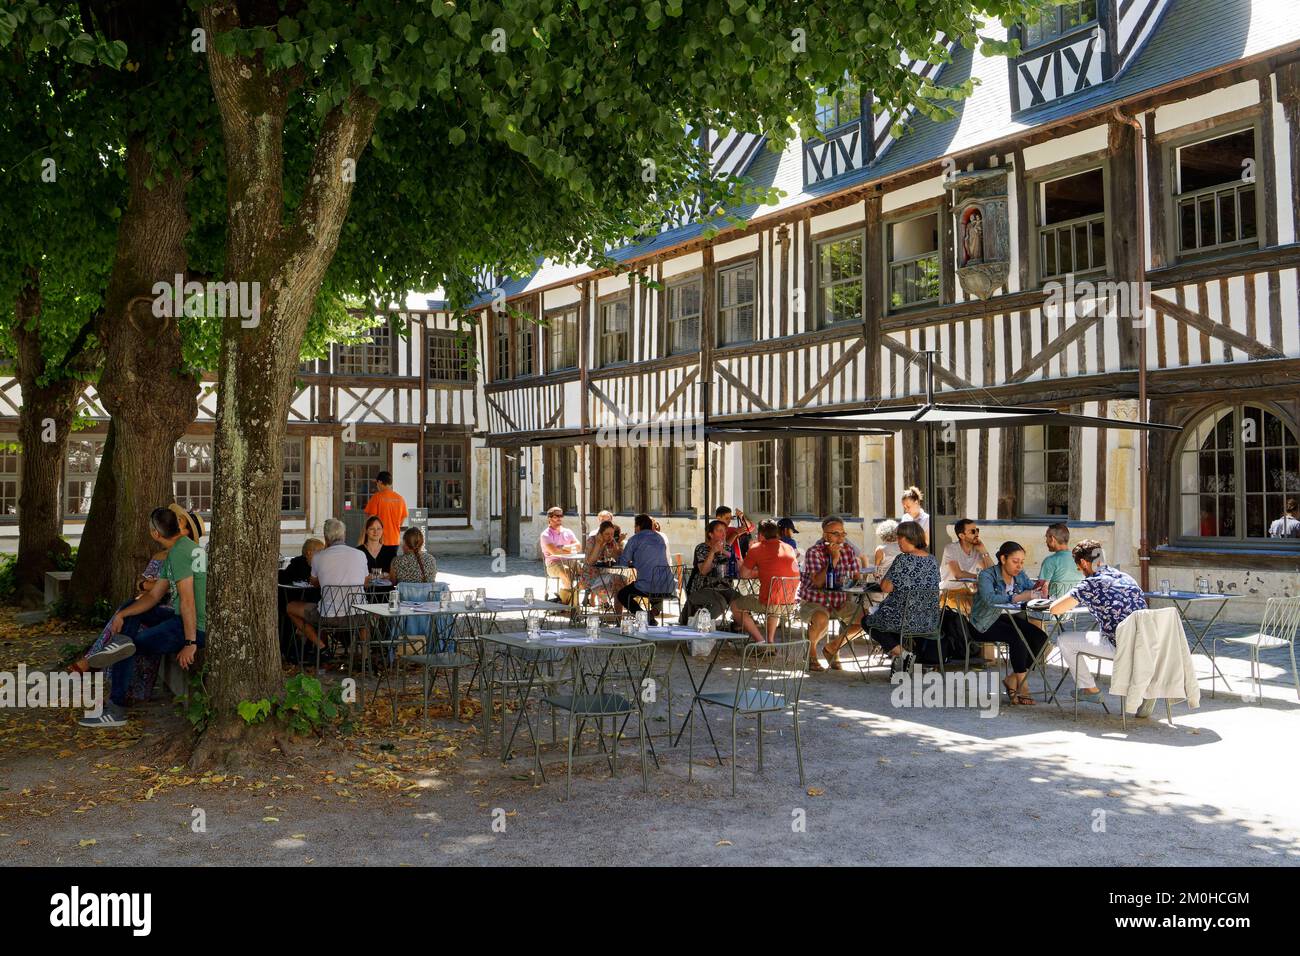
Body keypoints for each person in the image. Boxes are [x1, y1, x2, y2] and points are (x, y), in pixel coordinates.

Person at [80, 507, 208, 728]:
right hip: (181, 618)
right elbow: (154, 596)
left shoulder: (178, 553)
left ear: (155, 533)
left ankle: (116, 709)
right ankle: (120, 642)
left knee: (129, 646)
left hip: (194, 626)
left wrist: (190, 643)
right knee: (132, 607)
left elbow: (188, 601)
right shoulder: (182, 548)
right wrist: (122, 614)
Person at [1049, 540, 1149, 705]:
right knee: (1103, 633)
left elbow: (1055, 609)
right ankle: (1144, 690)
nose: (1080, 571)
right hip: (1145, 642)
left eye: (1078, 568)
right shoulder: (1125, 576)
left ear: (1083, 563)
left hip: (1120, 645)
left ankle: (1089, 689)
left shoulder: (1091, 583)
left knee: (1064, 640)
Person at [969, 541, 1048, 706]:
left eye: (1021, 562)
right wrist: (1019, 597)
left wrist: (1040, 591)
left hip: (1007, 619)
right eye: (1015, 561)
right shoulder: (987, 575)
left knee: (1040, 637)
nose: (1019, 566)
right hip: (983, 623)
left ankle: (1013, 679)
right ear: (1003, 559)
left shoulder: (1020, 575)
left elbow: (1029, 588)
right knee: (1018, 638)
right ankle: (1023, 686)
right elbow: (989, 599)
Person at [861, 521, 941, 673]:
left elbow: (885, 588)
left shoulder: (902, 559)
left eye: (899, 538)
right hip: (929, 620)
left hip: (904, 619)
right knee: (885, 620)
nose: (897, 542)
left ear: (909, 538)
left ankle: (904, 655)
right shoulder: (932, 560)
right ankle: (901, 661)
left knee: (868, 621)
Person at [287, 517, 369, 651]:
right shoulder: (360, 554)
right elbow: (365, 582)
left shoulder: (318, 557)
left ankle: (321, 646)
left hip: (329, 617)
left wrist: (328, 579)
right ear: (344, 535)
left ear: (326, 537)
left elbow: (314, 582)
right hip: (358, 616)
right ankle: (366, 655)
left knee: (290, 607)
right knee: (364, 611)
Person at [798, 516, 868, 671]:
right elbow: (817, 583)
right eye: (837, 534)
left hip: (838, 601)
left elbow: (855, 576)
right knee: (821, 617)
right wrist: (834, 559)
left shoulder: (848, 550)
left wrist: (857, 577)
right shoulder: (814, 552)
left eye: (843, 534)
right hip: (815, 601)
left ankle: (832, 647)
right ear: (826, 536)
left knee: (868, 621)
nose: (841, 537)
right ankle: (812, 655)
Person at [734, 520, 801, 643]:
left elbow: (744, 574)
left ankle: (760, 641)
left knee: (735, 605)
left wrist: (763, 572)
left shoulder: (757, 548)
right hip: (790, 603)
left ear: (760, 535)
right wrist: (767, 571)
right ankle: (770, 642)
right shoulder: (789, 548)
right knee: (774, 598)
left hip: (771, 603)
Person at [683, 519, 745, 626]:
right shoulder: (701, 548)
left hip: (725, 587)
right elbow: (703, 571)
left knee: (741, 601)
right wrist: (712, 552)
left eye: (724, 531)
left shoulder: (727, 548)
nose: (723, 534)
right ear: (710, 534)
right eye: (719, 531)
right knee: (720, 602)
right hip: (705, 587)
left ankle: (738, 627)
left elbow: (741, 567)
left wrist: (724, 551)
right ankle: (699, 625)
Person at [615, 513, 674, 624]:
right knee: (654, 584)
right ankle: (651, 615)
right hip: (667, 584)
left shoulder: (635, 539)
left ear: (638, 526)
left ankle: (644, 618)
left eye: (634, 527)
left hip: (648, 585)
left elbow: (623, 562)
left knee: (622, 595)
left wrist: (617, 556)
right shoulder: (659, 537)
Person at [940, 518, 992, 612]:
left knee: (990, 605)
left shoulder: (976, 550)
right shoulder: (951, 549)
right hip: (949, 593)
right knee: (977, 608)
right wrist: (980, 578)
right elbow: (958, 574)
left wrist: (984, 551)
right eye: (972, 531)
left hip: (968, 593)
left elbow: (992, 572)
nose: (976, 533)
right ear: (962, 536)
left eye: (977, 530)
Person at [539, 505, 582, 605]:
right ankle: (574, 607)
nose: (559, 518)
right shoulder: (546, 534)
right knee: (566, 571)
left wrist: (561, 548)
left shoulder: (568, 531)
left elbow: (579, 547)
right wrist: (567, 548)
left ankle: (564, 600)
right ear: (549, 518)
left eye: (561, 515)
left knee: (588, 571)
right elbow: (554, 552)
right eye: (556, 516)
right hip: (554, 563)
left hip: (572, 561)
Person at [583, 519, 624, 605]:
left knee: (624, 580)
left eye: (612, 534)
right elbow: (590, 562)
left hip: (604, 574)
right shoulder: (592, 540)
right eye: (607, 534)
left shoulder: (611, 541)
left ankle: (617, 612)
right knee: (618, 580)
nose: (610, 536)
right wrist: (598, 544)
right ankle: (616, 612)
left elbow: (619, 559)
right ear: (600, 533)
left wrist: (618, 545)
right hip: (591, 577)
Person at [364, 470, 407, 548]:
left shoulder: (377, 497)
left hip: (379, 540)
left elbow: (371, 519)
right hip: (395, 540)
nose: (377, 486)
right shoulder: (400, 498)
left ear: (380, 482)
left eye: (376, 483)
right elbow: (402, 519)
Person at [1038, 522, 1083, 596]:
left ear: (1052, 539)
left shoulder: (1050, 561)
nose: (1046, 541)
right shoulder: (1080, 559)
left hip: (1057, 605)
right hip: (1078, 604)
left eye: (1046, 537)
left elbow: (1040, 588)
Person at [356, 514, 397, 582]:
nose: (376, 532)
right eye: (372, 529)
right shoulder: (358, 551)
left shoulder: (391, 551)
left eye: (379, 528)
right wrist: (384, 575)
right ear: (366, 531)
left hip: (386, 592)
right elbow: (356, 576)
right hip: (365, 591)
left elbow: (394, 579)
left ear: (382, 530)